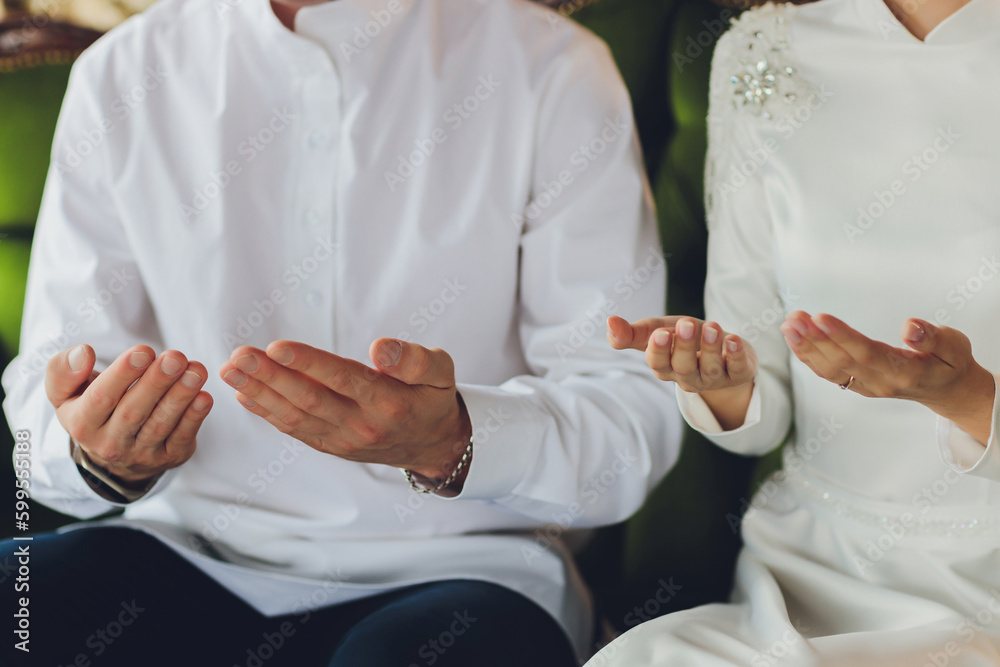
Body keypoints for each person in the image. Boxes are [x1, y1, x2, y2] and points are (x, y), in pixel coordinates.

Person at [0, 0, 684, 664]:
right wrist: (100, 454)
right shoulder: (121, 72)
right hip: (184, 550)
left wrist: (454, 439)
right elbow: (37, 416)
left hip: (472, 572)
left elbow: (629, 415)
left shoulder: (554, 69)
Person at [589, 0, 1000, 664]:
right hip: (808, 573)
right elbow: (759, 407)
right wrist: (722, 379)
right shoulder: (763, 52)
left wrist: (968, 401)